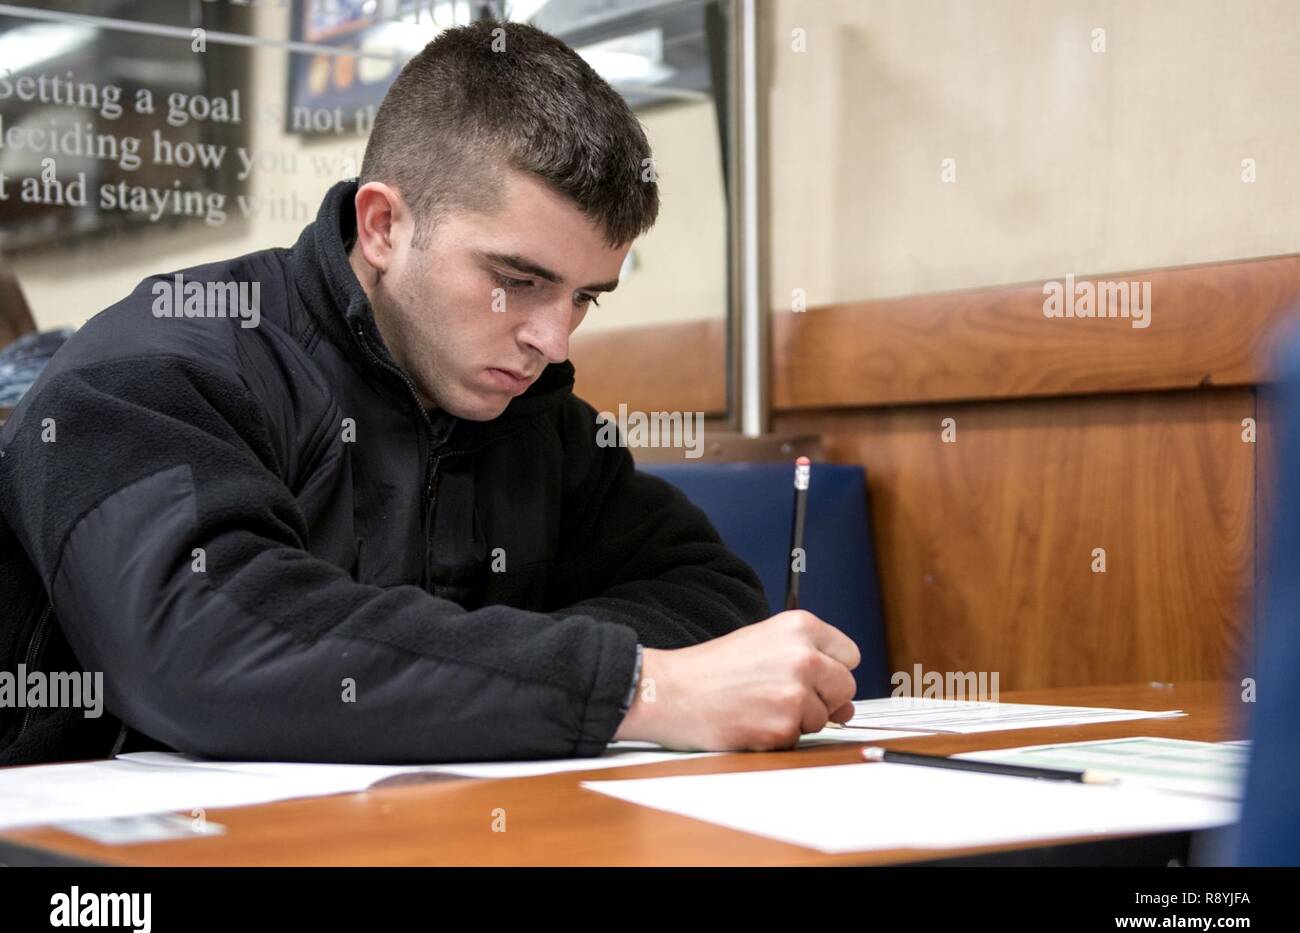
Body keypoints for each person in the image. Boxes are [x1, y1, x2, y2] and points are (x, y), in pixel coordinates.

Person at [0, 20, 858, 766]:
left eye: (585, 296)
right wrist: (638, 687)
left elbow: (709, 593)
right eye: (516, 280)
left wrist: (480, 675)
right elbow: (200, 640)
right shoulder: (154, 369)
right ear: (383, 227)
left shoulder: (538, 421)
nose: (552, 341)